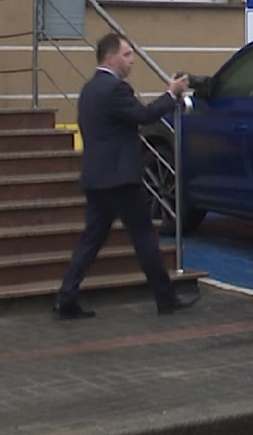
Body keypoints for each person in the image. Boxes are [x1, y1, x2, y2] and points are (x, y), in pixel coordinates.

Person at [53, 32, 200, 319]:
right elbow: (143, 116)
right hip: (120, 178)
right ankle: (165, 297)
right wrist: (171, 94)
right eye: (127, 54)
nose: (132, 60)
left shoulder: (89, 90)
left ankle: (66, 297)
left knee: (91, 240)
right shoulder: (115, 89)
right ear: (110, 57)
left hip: (97, 177)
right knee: (144, 237)